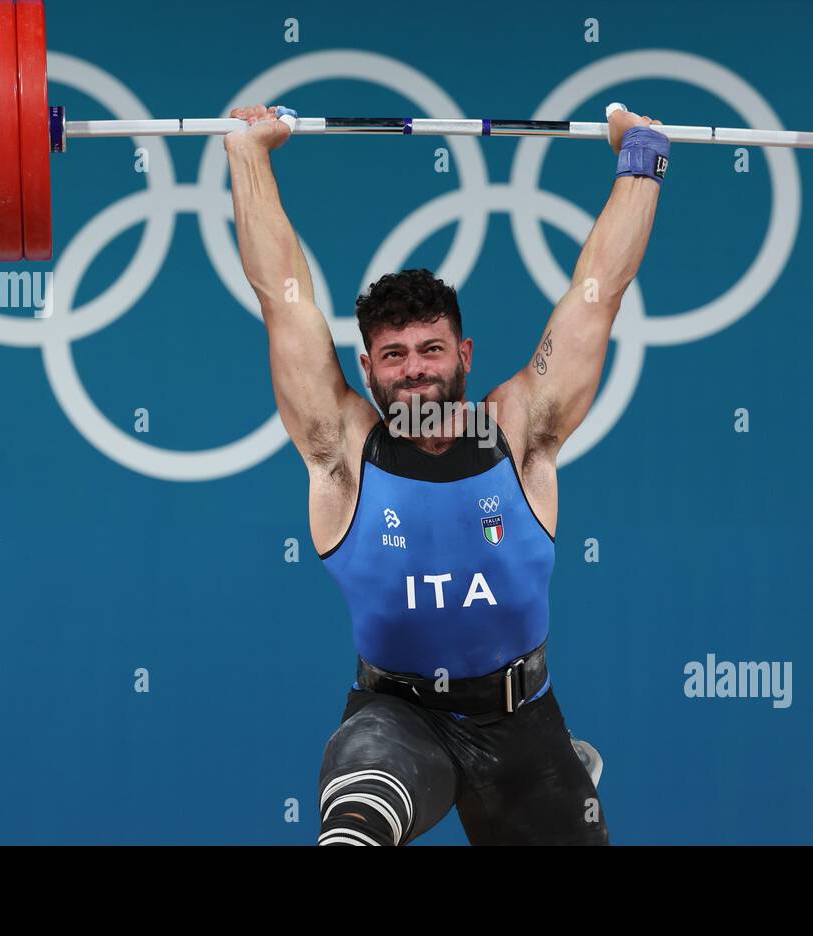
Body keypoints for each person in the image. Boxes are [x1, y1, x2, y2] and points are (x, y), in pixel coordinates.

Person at [224, 102, 666, 844]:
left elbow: (598, 295)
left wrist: (642, 158)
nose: (414, 372)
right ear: (367, 370)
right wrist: (248, 155)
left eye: (431, 350)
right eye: (393, 356)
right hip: (397, 724)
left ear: (464, 356)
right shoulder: (343, 450)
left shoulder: (518, 434)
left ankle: (563, 772)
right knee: (355, 830)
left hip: (524, 727)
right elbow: (284, 301)